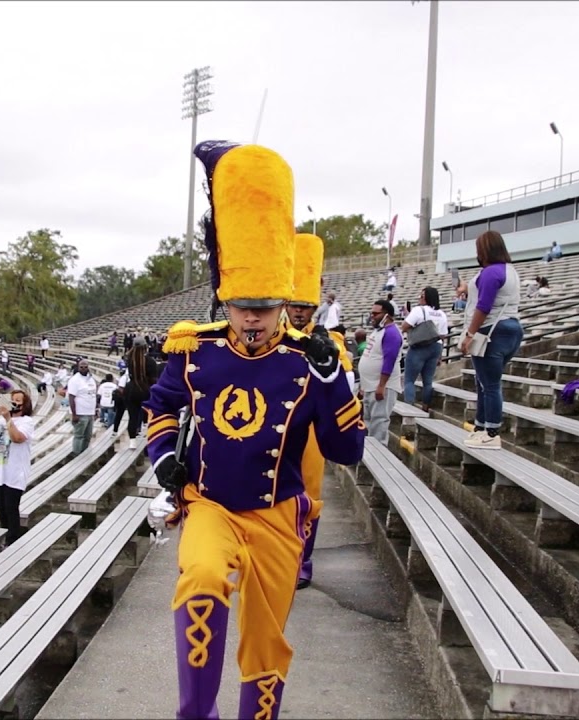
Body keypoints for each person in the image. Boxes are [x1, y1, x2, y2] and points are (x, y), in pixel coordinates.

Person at [144, 140, 365, 720]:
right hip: (210, 504)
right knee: (201, 577)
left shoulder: (309, 362)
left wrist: (334, 381)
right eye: (242, 304)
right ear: (227, 299)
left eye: (263, 306)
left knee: (266, 644)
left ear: (282, 304)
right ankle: (196, 714)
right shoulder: (195, 348)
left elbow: (347, 450)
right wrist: (165, 459)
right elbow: (160, 407)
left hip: (276, 514)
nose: (251, 317)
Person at [286, 232, 356, 589]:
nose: (299, 311)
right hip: (274, 426)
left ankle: (303, 559)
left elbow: (346, 388)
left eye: (306, 306)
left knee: (308, 493)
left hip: (311, 430)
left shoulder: (332, 342)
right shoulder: (272, 336)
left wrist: (329, 361)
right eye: (294, 304)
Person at [459, 230, 523, 450]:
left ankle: (492, 432)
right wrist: (467, 288)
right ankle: (481, 427)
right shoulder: (509, 271)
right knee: (484, 381)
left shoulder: (490, 272)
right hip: (511, 328)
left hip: (492, 331)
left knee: (490, 384)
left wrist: (469, 334)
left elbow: (484, 306)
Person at [0, 389, 36, 547]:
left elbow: (17, 438)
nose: (14, 402)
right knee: (0, 507)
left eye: (18, 400)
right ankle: (6, 534)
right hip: (1, 470)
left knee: (11, 507)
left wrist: (8, 419)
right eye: (12, 399)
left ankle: (13, 540)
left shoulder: (27, 422)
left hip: (16, 471)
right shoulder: (1, 420)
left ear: (24, 405)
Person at [358, 299, 404, 443]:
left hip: (382, 385)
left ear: (387, 315)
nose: (372, 316)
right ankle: (369, 451)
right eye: (371, 313)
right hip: (370, 385)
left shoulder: (392, 333)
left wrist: (381, 385)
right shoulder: (379, 331)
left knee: (378, 422)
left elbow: (389, 361)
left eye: (375, 314)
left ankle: (378, 451)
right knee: (368, 421)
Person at [401, 286, 449, 410]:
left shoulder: (419, 310)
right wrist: (440, 355)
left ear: (425, 297)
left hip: (420, 346)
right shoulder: (442, 314)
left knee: (409, 380)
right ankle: (425, 406)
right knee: (428, 381)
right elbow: (443, 335)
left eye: (421, 296)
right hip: (436, 346)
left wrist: (408, 317)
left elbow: (404, 326)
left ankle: (409, 408)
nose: (419, 298)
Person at [116, 339, 160, 449]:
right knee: (149, 413)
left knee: (133, 417)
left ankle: (132, 441)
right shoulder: (150, 361)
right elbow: (154, 379)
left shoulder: (130, 360)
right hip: (145, 389)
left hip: (131, 389)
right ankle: (147, 432)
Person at [67, 359, 98, 456]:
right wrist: (74, 414)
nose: (84, 368)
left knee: (88, 436)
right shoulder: (74, 380)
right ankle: (76, 454)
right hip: (80, 413)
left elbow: (94, 395)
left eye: (85, 367)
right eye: (81, 367)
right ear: (78, 367)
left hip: (90, 413)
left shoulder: (91, 379)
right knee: (79, 436)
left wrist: (95, 410)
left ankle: (84, 454)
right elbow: (71, 397)